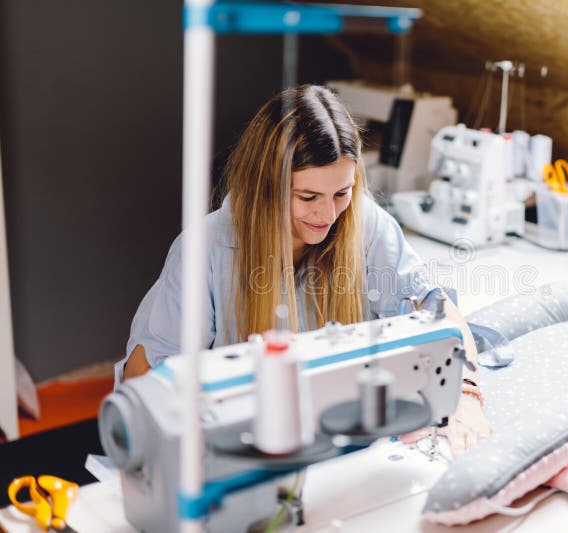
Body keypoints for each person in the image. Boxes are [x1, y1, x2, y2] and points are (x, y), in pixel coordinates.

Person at [115, 84, 491, 456]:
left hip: (337, 440)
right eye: (308, 197)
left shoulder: (366, 223)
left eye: (341, 193)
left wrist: (468, 394)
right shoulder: (207, 250)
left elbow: (435, 313)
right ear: (265, 186)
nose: (328, 215)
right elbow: (147, 384)